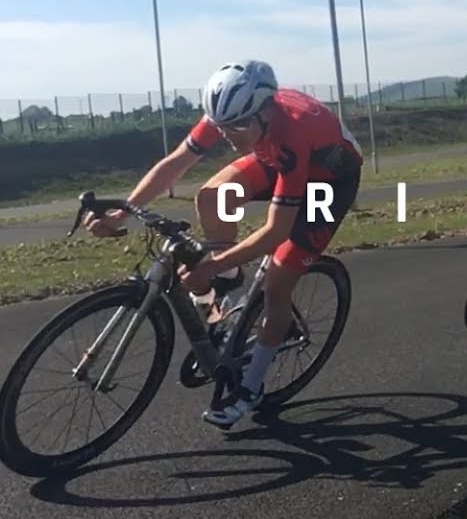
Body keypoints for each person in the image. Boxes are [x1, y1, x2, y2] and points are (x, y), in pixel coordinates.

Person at [82, 60, 364, 429]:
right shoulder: (234, 114)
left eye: (238, 126)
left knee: (279, 277)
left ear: (265, 111)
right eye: (222, 126)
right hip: (275, 157)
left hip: (327, 182)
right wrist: (122, 213)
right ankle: (229, 287)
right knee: (213, 196)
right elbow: (175, 164)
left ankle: (250, 388)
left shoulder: (290, 133)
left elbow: (276, 231)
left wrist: (211, 265)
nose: (229, 135)